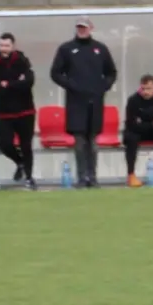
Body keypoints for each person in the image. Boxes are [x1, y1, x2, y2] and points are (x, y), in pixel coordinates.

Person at [48, 18, 117, 188]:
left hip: (95, 101)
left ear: (91, 28)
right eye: (79, 27)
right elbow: (55, 73)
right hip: (76, 102)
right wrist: (71, 85)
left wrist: (103, 86)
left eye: (84, 27)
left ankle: (92, 178)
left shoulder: (100, 49)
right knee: (79, 142)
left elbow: (111, 72)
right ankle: (81, 178)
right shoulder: (66, 49)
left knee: (93, 142)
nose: (82, 30)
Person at [0, 33, 37, 190]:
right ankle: (19, 162)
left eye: (7, 46)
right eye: (1, 46)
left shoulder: (22, 61)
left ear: (13, 46)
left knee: (26, 145)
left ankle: (29, 177)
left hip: (25, 111)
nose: (3, 49)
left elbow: (28, 81)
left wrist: (8, 84)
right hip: (4, 112)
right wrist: (15, 82)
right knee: (4, 144)